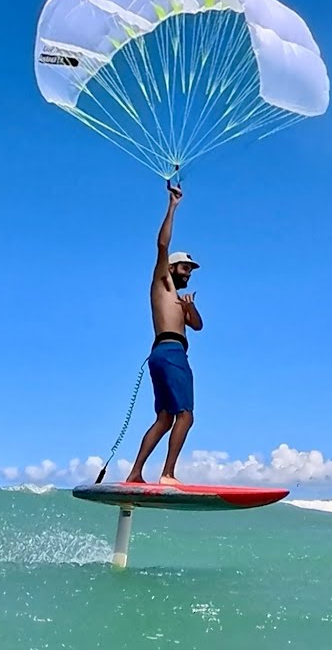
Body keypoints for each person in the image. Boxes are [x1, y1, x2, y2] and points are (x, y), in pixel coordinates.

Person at [126, 180, 203, 485]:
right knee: (185, 415)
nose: (189, 272)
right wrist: (172, 206)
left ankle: (135, 473)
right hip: (170, 352)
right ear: (171, 269)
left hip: (165, 353)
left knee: (165, 417)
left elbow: (197, 326)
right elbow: (162, 246)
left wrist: (190, 309)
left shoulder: (180, 300)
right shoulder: (162, 282)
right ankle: (168, 473)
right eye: (186, 268)